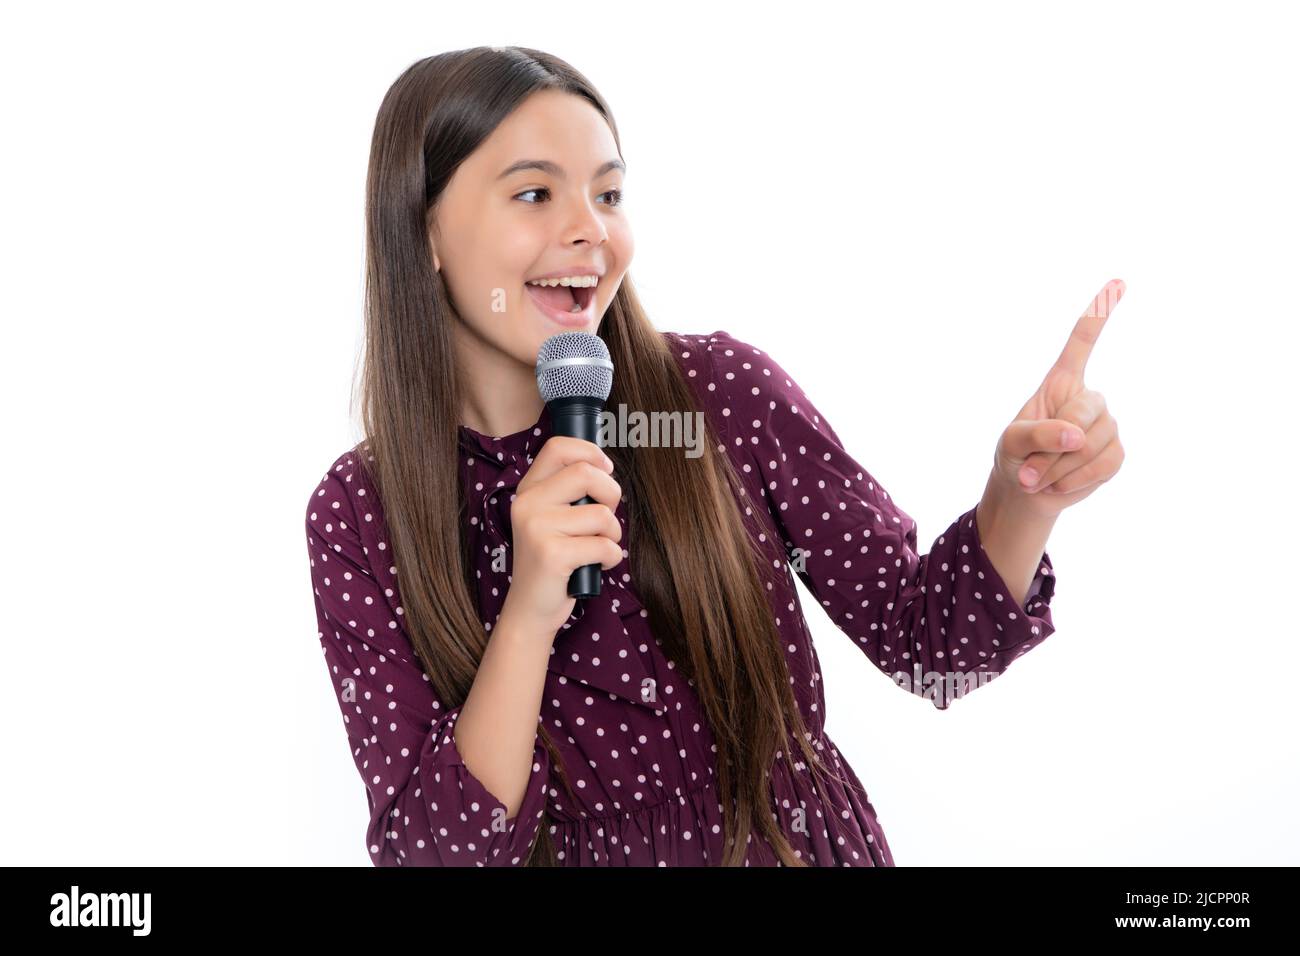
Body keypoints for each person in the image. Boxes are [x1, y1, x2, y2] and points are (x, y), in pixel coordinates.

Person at [305, 46, 1124, 866]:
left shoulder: (721, 397)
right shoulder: (361, 513)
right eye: (535, 193)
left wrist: (1023, 500)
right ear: (426, 229)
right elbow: (434, 853)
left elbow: (928, 648)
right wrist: (528, 611)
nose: (590, 228)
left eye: (609, 193)